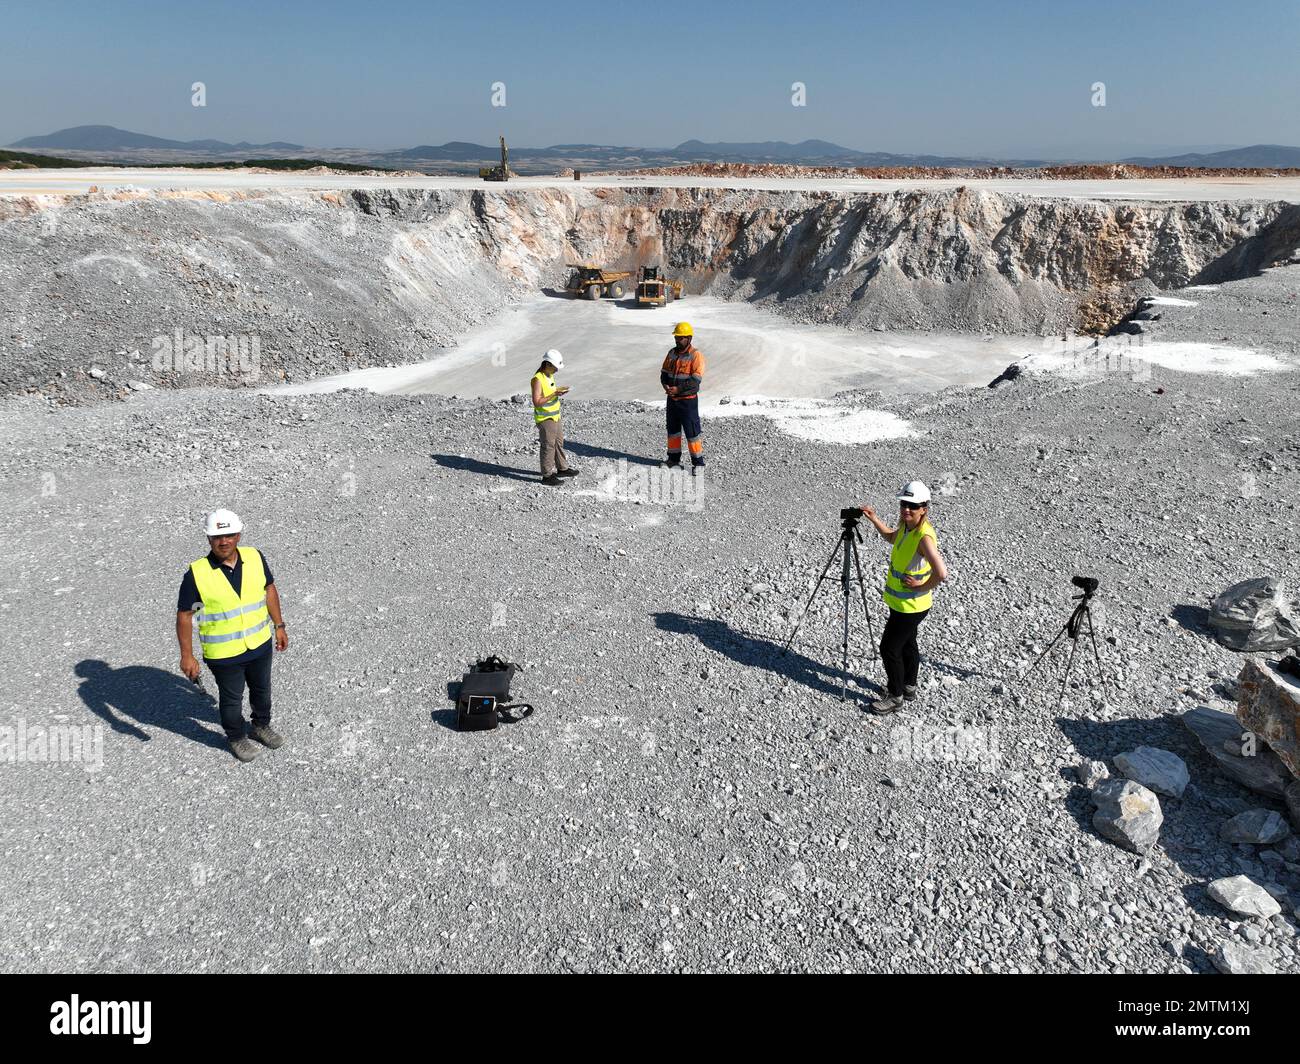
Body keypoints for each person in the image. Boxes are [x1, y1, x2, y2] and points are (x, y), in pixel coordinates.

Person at [176, 509, 288, 761]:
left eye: (228, 535)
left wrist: (279, 625)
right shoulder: (197, 573)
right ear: (208, 539)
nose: (223, 541)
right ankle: (237, 737)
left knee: (262, 691)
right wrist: (187, 656)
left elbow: (268, 589)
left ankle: (261, 726)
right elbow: (185, 615)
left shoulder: (255, 557)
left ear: (238, 535)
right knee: (231, 700)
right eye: (217, 536)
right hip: (224, 654)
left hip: (259, 643)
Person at [860, 481, 947, 714]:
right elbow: (892, 537)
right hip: (903, 603)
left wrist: (921, 585)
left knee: (889, 648)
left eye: (912, 505)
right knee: (908, 644)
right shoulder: (908, 528)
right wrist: (874, 519)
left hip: (911, 605)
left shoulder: (923, 537)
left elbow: (941, 573)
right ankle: (909, 687)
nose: (906, 509)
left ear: (924, 508)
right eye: (903, 504)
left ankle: (895, 696)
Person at [660, 322, 705, 473]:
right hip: (672, 401)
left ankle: (698, 464)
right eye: (676, 337)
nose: (677, 340)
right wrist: (666, 385)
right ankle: (673, 460)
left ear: (689, 338)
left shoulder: (695, 355)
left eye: (680, 338)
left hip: (688, 402)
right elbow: (664, 373)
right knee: (673, 431)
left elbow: (695, 381)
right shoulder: (672, 353)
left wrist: (678, 389)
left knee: (692, 433)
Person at [531, 348, 578, 487]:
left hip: (555, 416)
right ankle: (547, 475)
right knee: (548, 446)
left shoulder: (549, 375)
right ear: (548, 364)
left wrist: (558, 393)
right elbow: (537, 402)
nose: (557, 370)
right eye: (555, 367)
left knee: (558, 442)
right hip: (546, 419)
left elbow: (549, 393)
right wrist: (554, 394)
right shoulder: (537, 379)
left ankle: (562, 468)